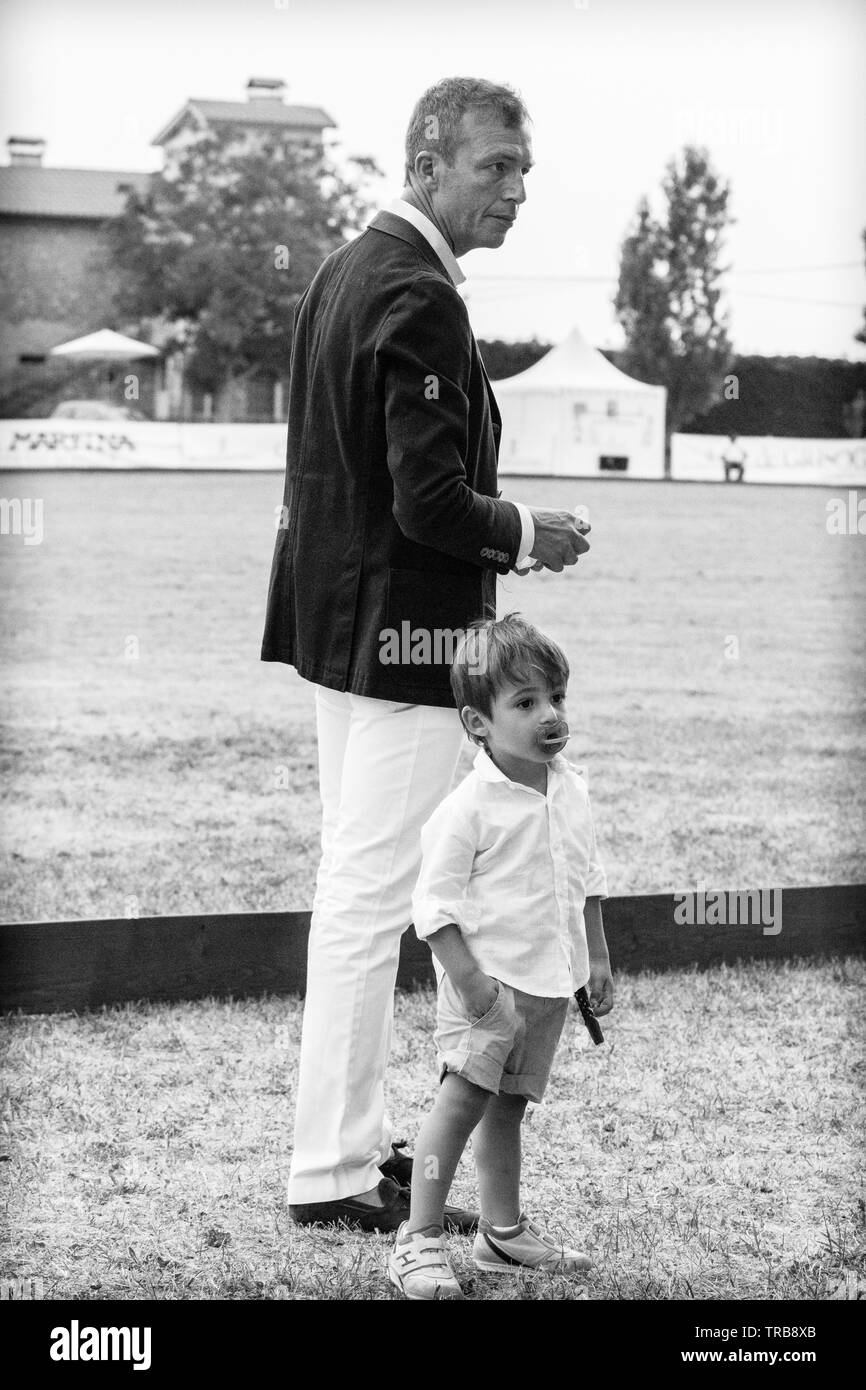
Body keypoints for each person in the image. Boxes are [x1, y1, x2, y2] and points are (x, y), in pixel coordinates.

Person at [261, 77, 591, 1232]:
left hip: (339, 628)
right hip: (405, 640)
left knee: (350, 892)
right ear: (425, 162)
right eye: (493, 165)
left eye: (522, 170)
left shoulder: (344, 271)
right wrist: (527, 533)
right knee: (367, 900)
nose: (512, 189)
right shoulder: (417, 292)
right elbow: (430, 499)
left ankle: (338, 1148)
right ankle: (331, 1170)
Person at [387, 614, 613, 1299]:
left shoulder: (568, 787)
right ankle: (417, 1239)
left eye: (556, 698)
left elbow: (587, 878)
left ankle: (501, 1236)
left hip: (546, 985)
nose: (550, 715)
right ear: (477, 722)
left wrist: (595, 960)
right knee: (457, 1108)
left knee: (507, 1110)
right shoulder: (468, 809)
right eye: (525, 703)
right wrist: (472, 984)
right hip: (486, 991)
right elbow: (433, 908)